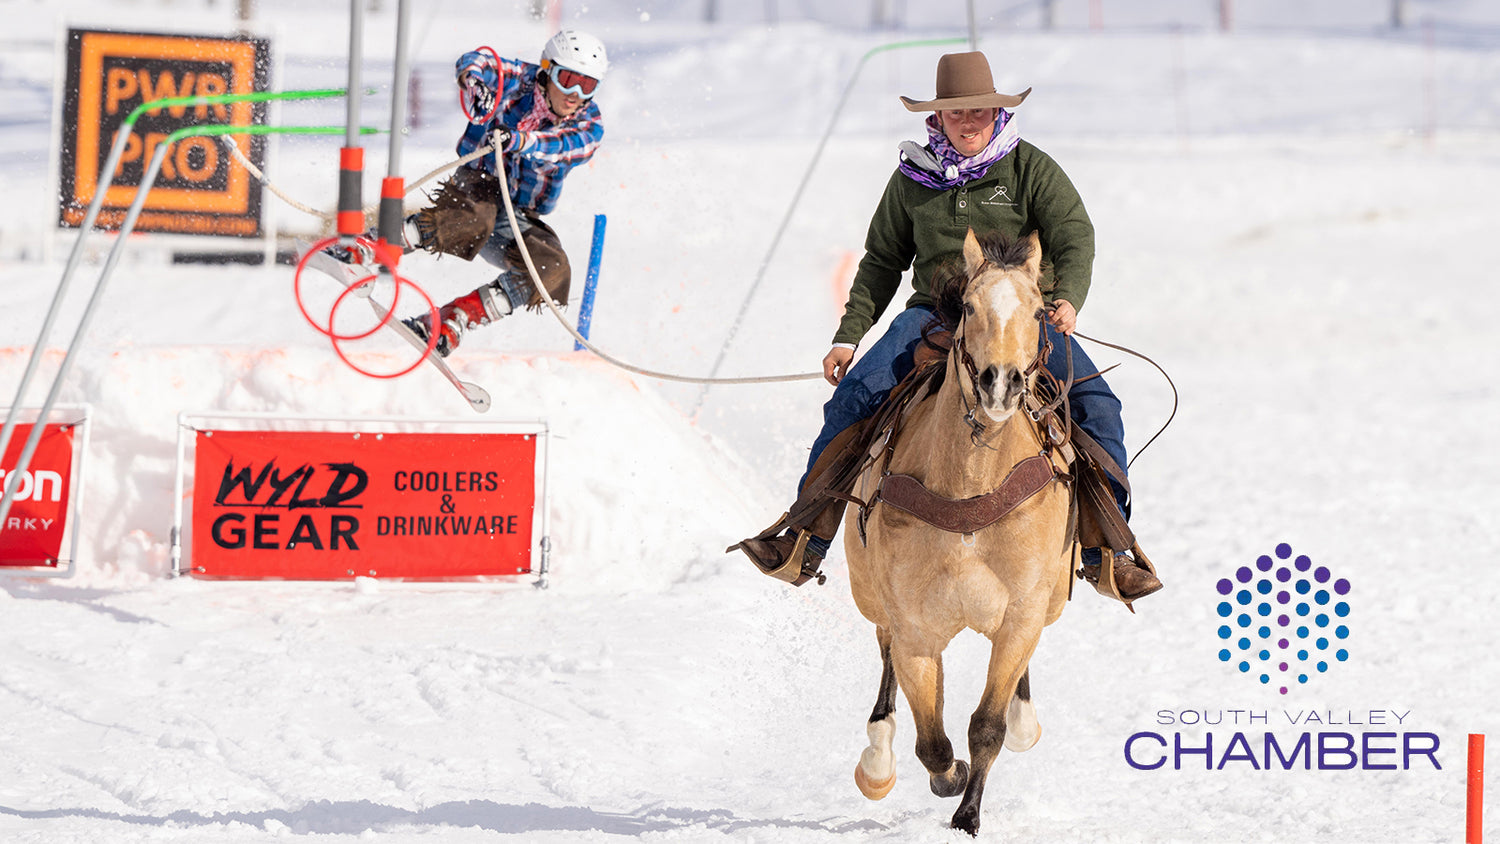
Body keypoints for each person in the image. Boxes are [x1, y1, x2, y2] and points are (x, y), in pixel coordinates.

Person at [729, 51, 1162, 602]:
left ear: (995, 111)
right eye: (957, 111)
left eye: (980, 109)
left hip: (1019, 314)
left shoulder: (1030, 167)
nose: (969, 119)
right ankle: (805, 537)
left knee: (1099, 405)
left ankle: (1110, 551)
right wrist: (849, 335)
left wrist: (1067, 300)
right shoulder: (912, 179)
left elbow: (1075, 235)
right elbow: (882, 260)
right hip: (934, 314)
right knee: (855, 397)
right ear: (937, 117)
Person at [326, 30, 607, 357]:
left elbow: (562, 147)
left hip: (518, 215)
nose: (574, 94)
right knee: (473, 219)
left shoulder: (590, 123)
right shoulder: (522, 81)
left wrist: (519, 140)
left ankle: (451, 321)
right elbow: (477, 61)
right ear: (547, 71)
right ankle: (367, 248)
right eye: (568, 78)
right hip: (479, 183)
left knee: (551, 269)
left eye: (587, 85)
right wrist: (476, 83)